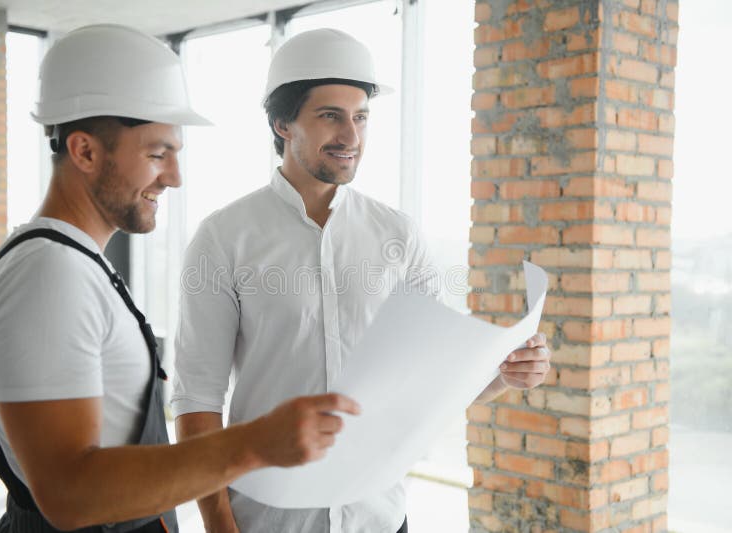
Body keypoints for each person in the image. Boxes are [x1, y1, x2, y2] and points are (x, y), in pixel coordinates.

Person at [0, 24, 360, 533]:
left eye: (176, 153)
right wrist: (254, 443)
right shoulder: (49, 275)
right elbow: (69, 492)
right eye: (157, 153)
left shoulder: (75, 263)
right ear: (85, 152)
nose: (174, 177)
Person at [173, 28, 552, 533]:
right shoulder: (224, 238)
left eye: (361, 117)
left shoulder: (398, 236)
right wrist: (220, 526)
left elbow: (433, 382)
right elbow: (197, 401)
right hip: (268, 522)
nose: (351, 137)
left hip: (379, 519)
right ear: (282, 123)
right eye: (331, 116)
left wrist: (505, 374)